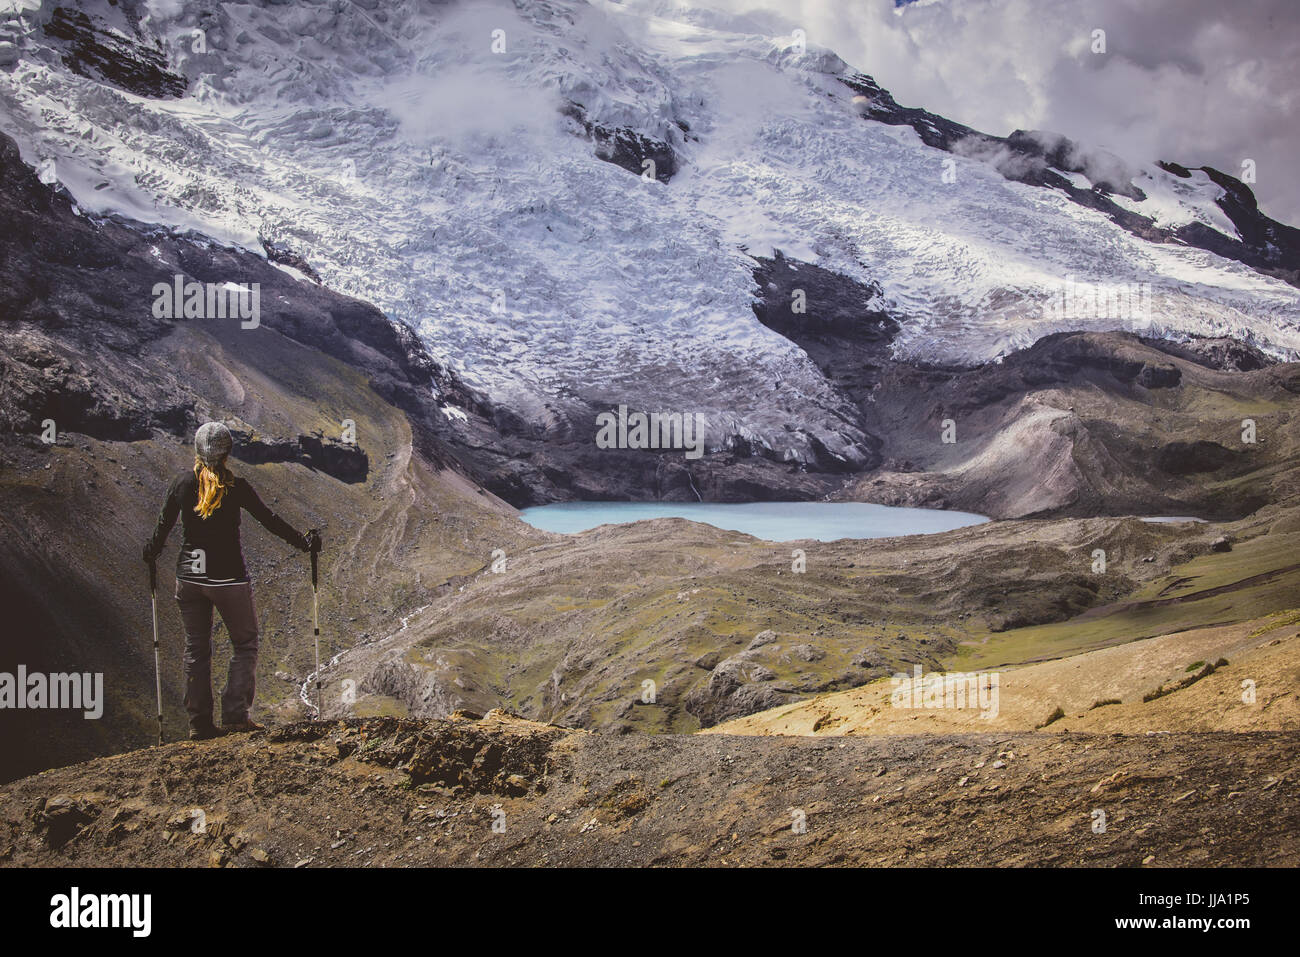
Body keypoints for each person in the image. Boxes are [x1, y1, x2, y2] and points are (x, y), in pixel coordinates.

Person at [143, 422, 321, 740]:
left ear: (197, 451)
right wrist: (304, 542)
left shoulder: (182, 484)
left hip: (190, 577)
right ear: (227, 453)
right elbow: (269, 519)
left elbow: (163, 526)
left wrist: (151, 553)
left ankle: (199, 723)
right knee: (245, 644)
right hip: (228, 579)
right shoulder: (236, 487)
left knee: (196, 649)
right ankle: (235, 715)